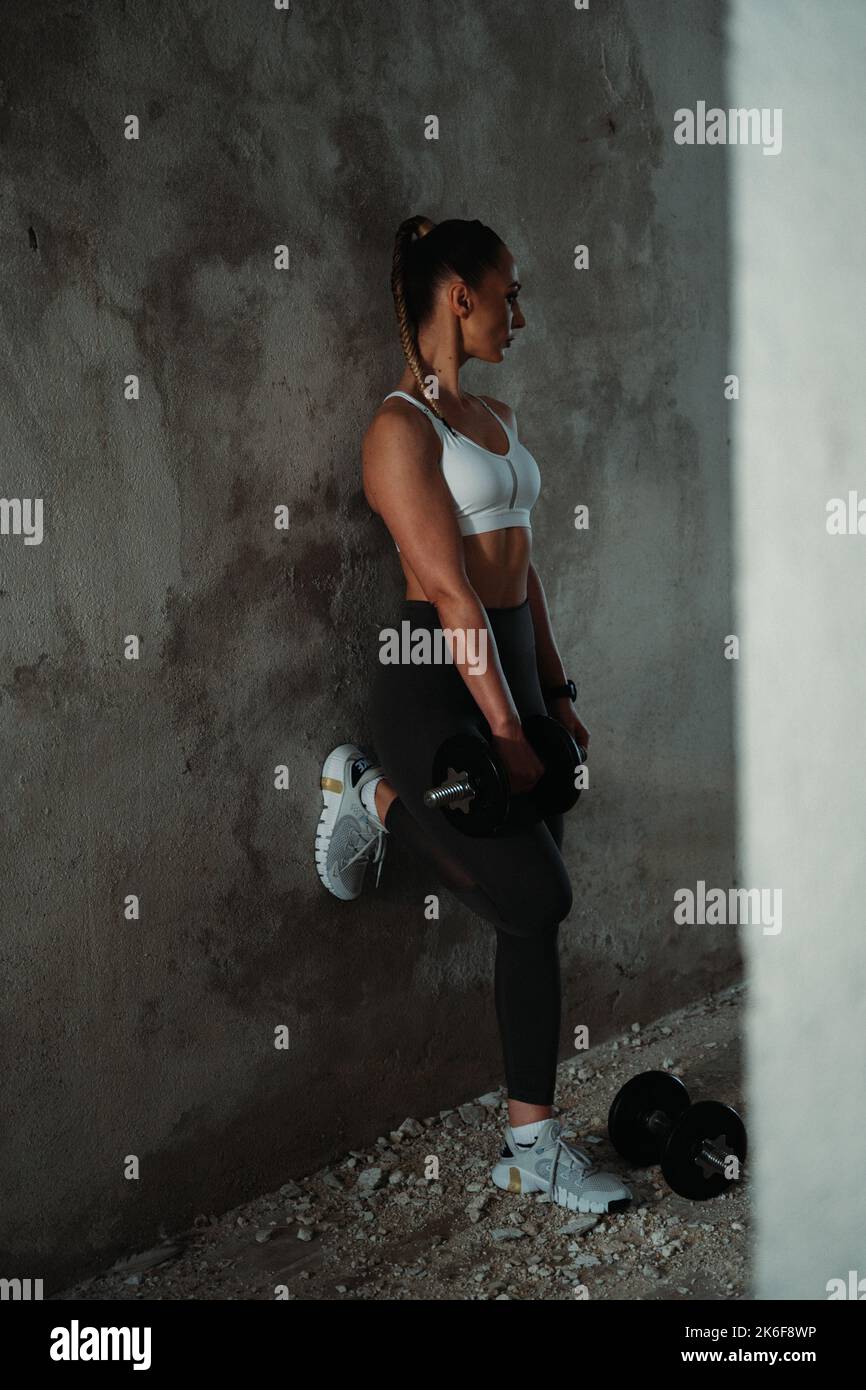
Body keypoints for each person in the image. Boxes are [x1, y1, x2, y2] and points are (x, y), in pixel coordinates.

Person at [315, 216, 631, 1214]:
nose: (519, 313)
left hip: (510, 674)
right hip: (435, 678)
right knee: (537, 902)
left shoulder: (489, 414)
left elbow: (517, 571)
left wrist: (555, 696)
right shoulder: (397, 431)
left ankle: (529, 1140)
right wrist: (499, 729)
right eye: (509, 291)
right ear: (458, 294)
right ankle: (371, 789)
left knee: (526, 906)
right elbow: (451, 595)